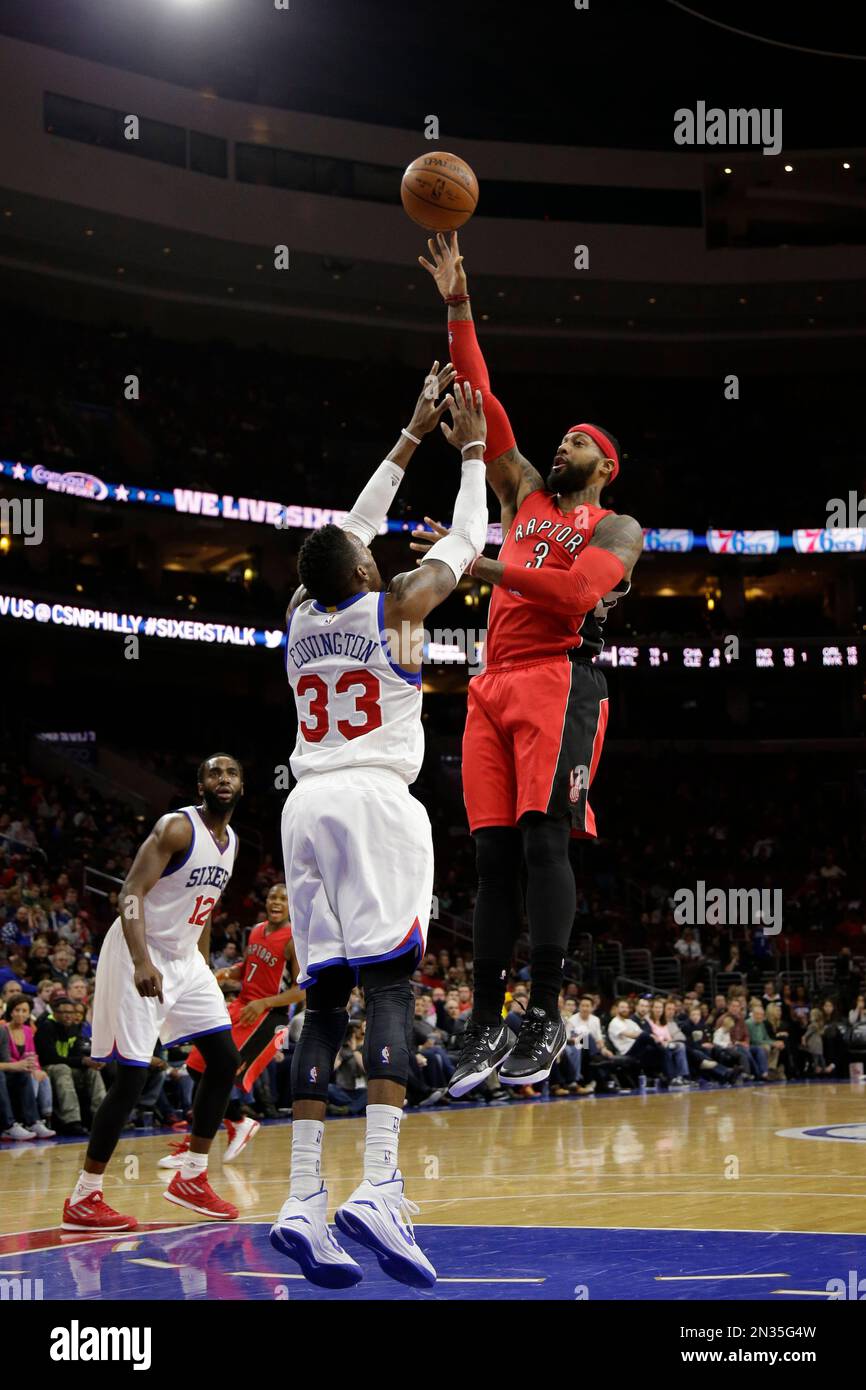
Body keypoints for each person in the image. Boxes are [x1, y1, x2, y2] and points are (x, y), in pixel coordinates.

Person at [268, 363, 488, 1290]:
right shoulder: (397, 606)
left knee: (324, 999)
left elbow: (346, 533)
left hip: (303, 806)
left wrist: (406, 436)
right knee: (392, 987)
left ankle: (301, 1197)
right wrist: (469, 447)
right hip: (373, 802)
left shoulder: (296, 616)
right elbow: (471, 541)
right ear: (362, 571)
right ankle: (380, 1185)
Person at [414, 231, 643, 1096]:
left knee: (549, 844)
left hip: (560, 679)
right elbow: (479, 389)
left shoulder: (617, 529)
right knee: (493, 858)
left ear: (605, 466)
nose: (563, 447)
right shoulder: (521, 493)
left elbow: (579, 596)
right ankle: (484, 1022)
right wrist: (457, 300)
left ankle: (545, 1012)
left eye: (579, 442)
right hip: (490, 686)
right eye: (562, 441)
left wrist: (486, 567)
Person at [60, 754, 245, 1232]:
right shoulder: (175, 828)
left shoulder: (231, 843)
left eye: (231, 773)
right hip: (139, 951)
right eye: (213, 773)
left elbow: (203, 912)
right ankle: (84, 1197)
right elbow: (129, 893)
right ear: (199, 784)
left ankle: (192, 1177)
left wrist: (202, 966)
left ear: (242, 786)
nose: (222, 779)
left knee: (224, 1059)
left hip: (186, 960)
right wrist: (143, 961)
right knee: (131, 1080)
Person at [159, 882, 303, 1168]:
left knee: (219, 1073)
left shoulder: (295, 939)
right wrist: (229, 973)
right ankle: (237, 1120)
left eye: (283, 898)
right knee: (195, 1066)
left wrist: (264, 1003)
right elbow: (250, 966)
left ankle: (197, 1146)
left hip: (268, 1017)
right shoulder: (257, 930)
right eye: (272, 896)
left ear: (292, 904)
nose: (276, 901)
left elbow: (303, 990)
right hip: (241, 1006)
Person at [35, 996, 105, 1134]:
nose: (68, 1016)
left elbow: (77, 1054)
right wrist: (81, 1061)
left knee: (92, 1071)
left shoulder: (74, 1028)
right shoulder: (46, 1027)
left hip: (67, 1067)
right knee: (63, 1068)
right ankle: (72, 1121)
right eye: (64, 1013)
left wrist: (90, 1061)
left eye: (71, 1013)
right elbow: (49, 1058)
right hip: (47, 1068)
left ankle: (102, 1117)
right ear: (55, 1013)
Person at [2, 994, 55, 1134]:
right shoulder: (3, 1029)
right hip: (10, 1070)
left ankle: (42, 1118)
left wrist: (36, 1068)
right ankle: (29, 1120)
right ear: (10, 1012)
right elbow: (6, 1058)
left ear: (29, 1013)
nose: (20, 1014)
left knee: (42, 1076)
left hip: (22, 1068)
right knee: (28, 1076)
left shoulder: (27, 1030)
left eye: (24, 1011)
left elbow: (32, 1054)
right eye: (17, 1010)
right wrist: (25, 1066)